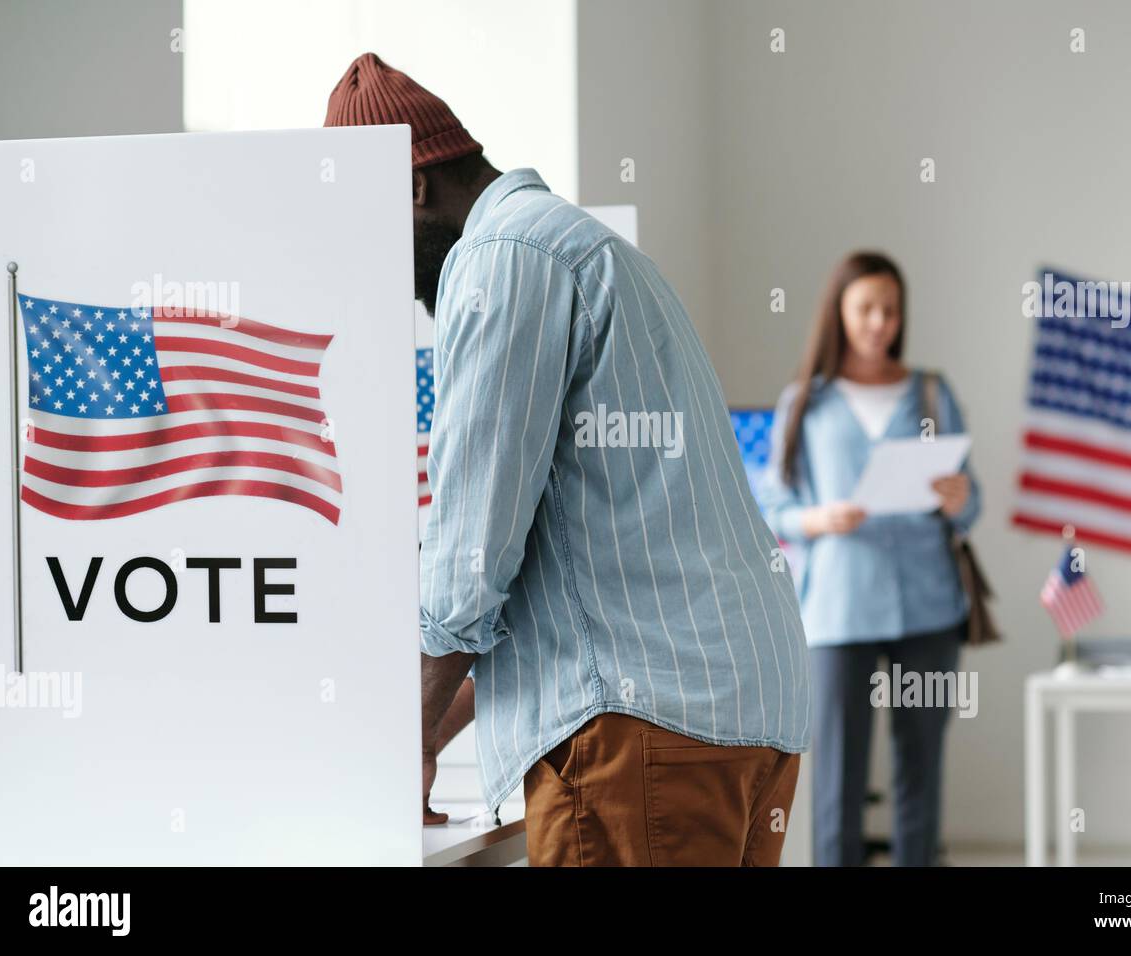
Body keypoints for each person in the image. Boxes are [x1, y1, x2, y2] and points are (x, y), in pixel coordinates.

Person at [323, 53, 809, 866]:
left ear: (412, 189)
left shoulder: (502, 259)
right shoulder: (582, 248)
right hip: (733, 717)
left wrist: (406, 735)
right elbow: (589, 562)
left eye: (362, 233)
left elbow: (473, 546)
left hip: (639, 736)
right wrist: (447, 715)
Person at [761, 251, 980, 866]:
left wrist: (959, 499)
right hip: (838, 610)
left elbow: (972, 502)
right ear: (839, 313)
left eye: (890, 309)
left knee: (921, 769)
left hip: (929, 608)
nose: (879, 321)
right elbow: (772, 505)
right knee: (837, 779)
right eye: (866, 308)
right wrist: (816, 519)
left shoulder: (932, 392)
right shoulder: (806, 401)